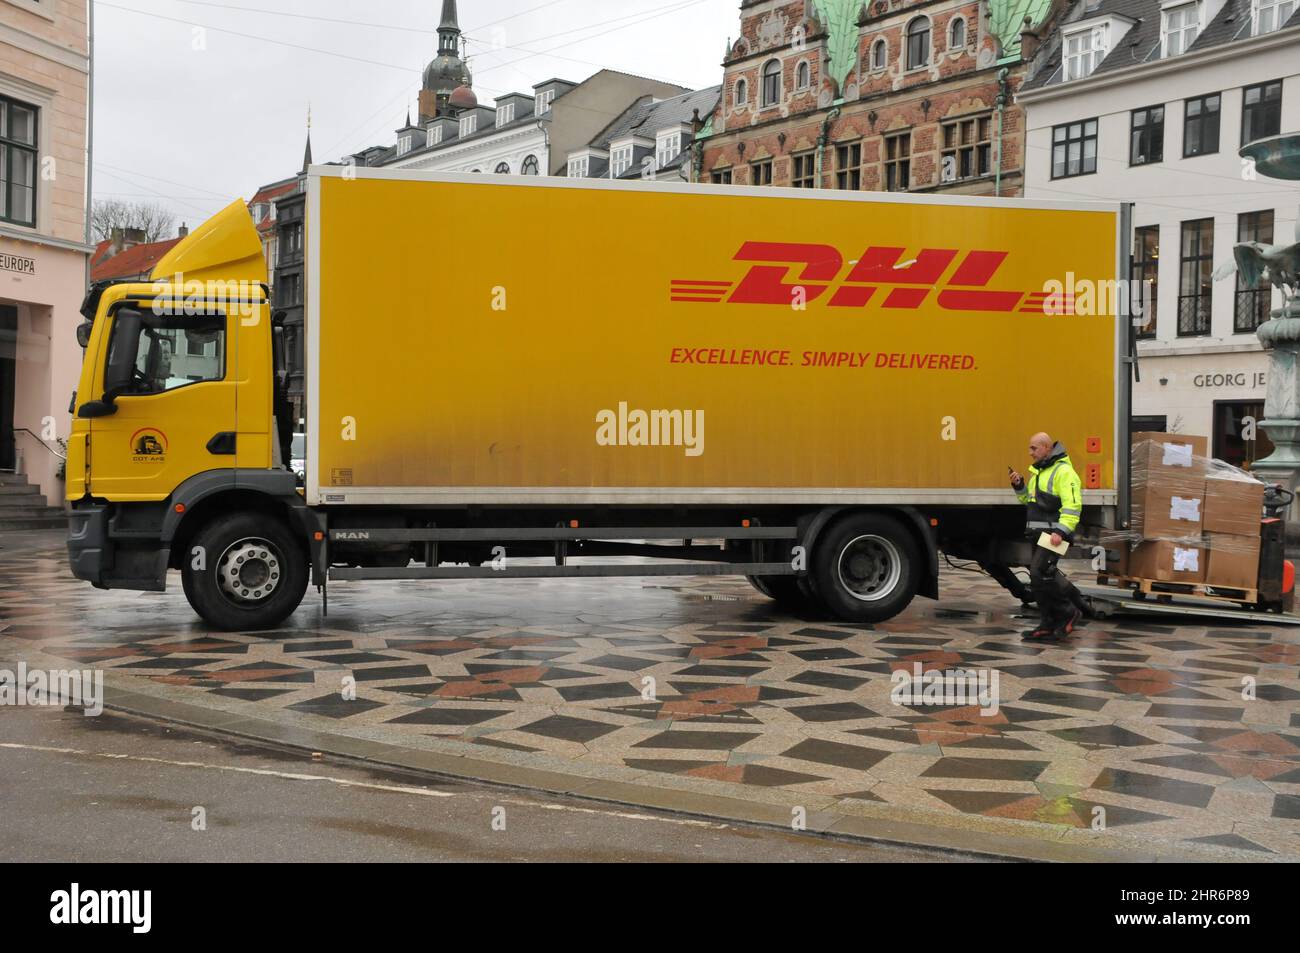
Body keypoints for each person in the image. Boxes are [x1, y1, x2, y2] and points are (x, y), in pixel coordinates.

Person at [1009, 433, 1084, 641]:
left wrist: (1061, 531)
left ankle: (1069, 613)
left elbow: (1073, 505)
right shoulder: (1039, 473)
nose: (1030, 453)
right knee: (1039, 577)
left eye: (1034, 448)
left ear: (1046, 447)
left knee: (1039, 572)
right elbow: (1028, 502)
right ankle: (1047, 623)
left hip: (1055, 536)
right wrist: (1019, 486)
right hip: (1040, 535)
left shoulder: (1064, 472)